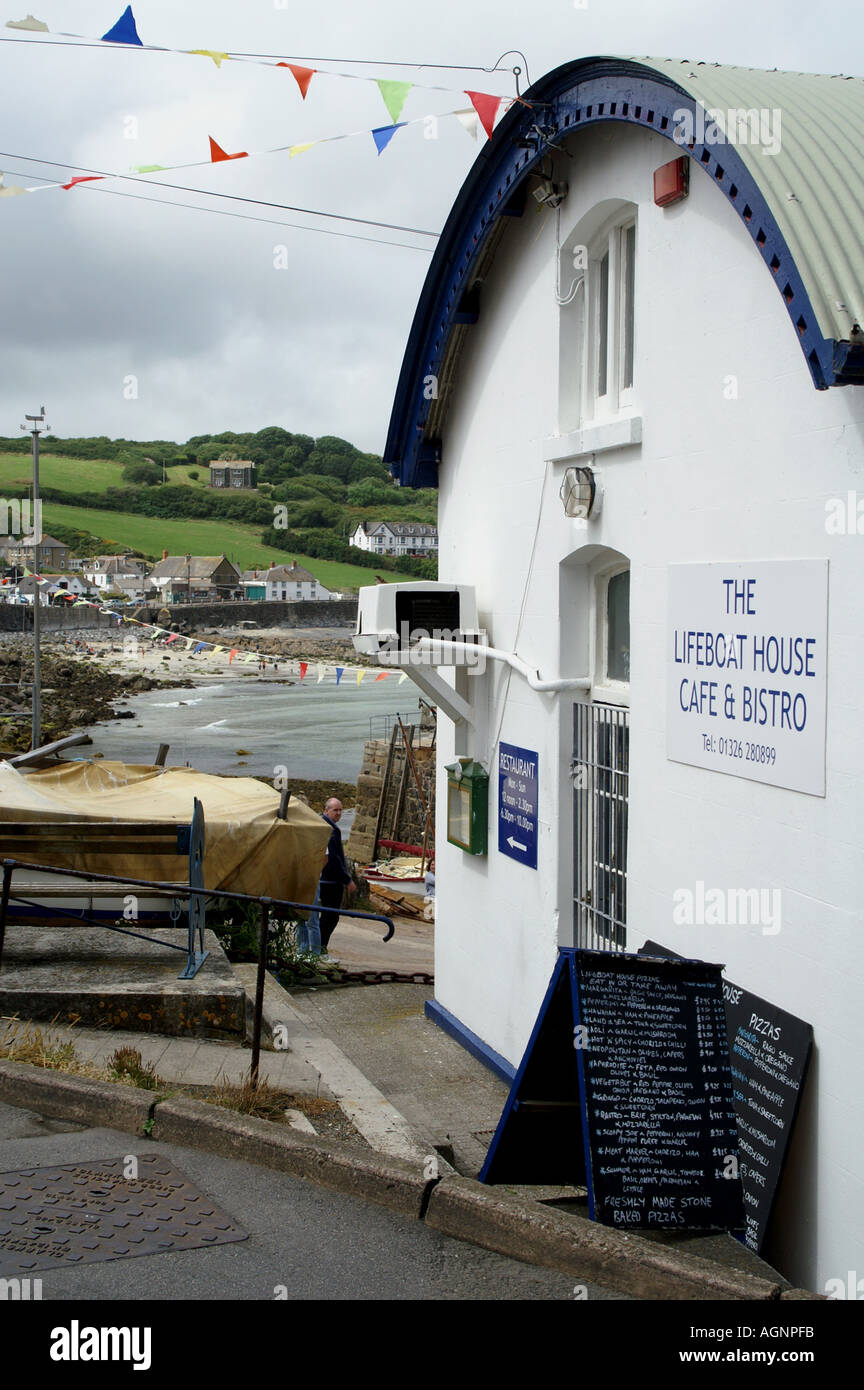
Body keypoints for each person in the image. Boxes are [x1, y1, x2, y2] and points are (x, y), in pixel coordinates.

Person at [316, 797, 355, 959]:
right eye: (335, 810)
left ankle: (318, 949)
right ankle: (320, 950)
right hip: (330, 881)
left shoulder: (325, 826)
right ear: (326, 811)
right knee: (330, 917)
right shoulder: (331, 829)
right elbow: (333, 858)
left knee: (326, 917)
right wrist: (347, 880)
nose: (339, 813)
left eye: (340, 810)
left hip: (325, 879)